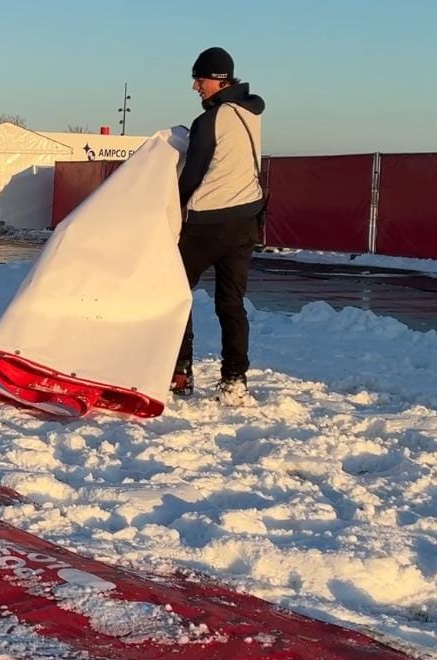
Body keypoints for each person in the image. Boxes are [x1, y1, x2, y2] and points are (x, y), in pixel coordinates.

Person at [172, 46, 265, 406]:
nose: (196, 86)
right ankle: (234, 380)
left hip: (207, 223)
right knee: (231, 304)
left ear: (219, 79)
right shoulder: (250, 113)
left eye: (200, 79)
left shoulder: (210, 121)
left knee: (175, 294)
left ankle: (180, 372)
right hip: (244, 222)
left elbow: (192, 174)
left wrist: (172, 205)